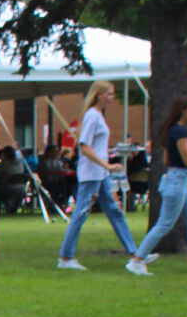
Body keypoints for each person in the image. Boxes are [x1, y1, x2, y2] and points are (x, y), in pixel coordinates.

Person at [126, 97, 187, 275]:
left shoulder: (172, 131)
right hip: (178, 182)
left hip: (178, 181)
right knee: (164, 225)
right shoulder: (179, 132)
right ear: (183, 110)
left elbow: (168, 159)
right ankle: (137, 260)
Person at [56, 80, 135, 269]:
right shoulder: (93, 116)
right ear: (98, 94)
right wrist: (106, 164)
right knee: (81, 214)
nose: (111, 97)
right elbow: (84, 146)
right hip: (92, 174)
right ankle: (66, 258)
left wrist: (105, 167)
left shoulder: (97, 115)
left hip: (100, 174)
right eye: (108, 93)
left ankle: (134, 253)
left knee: (114, 211)